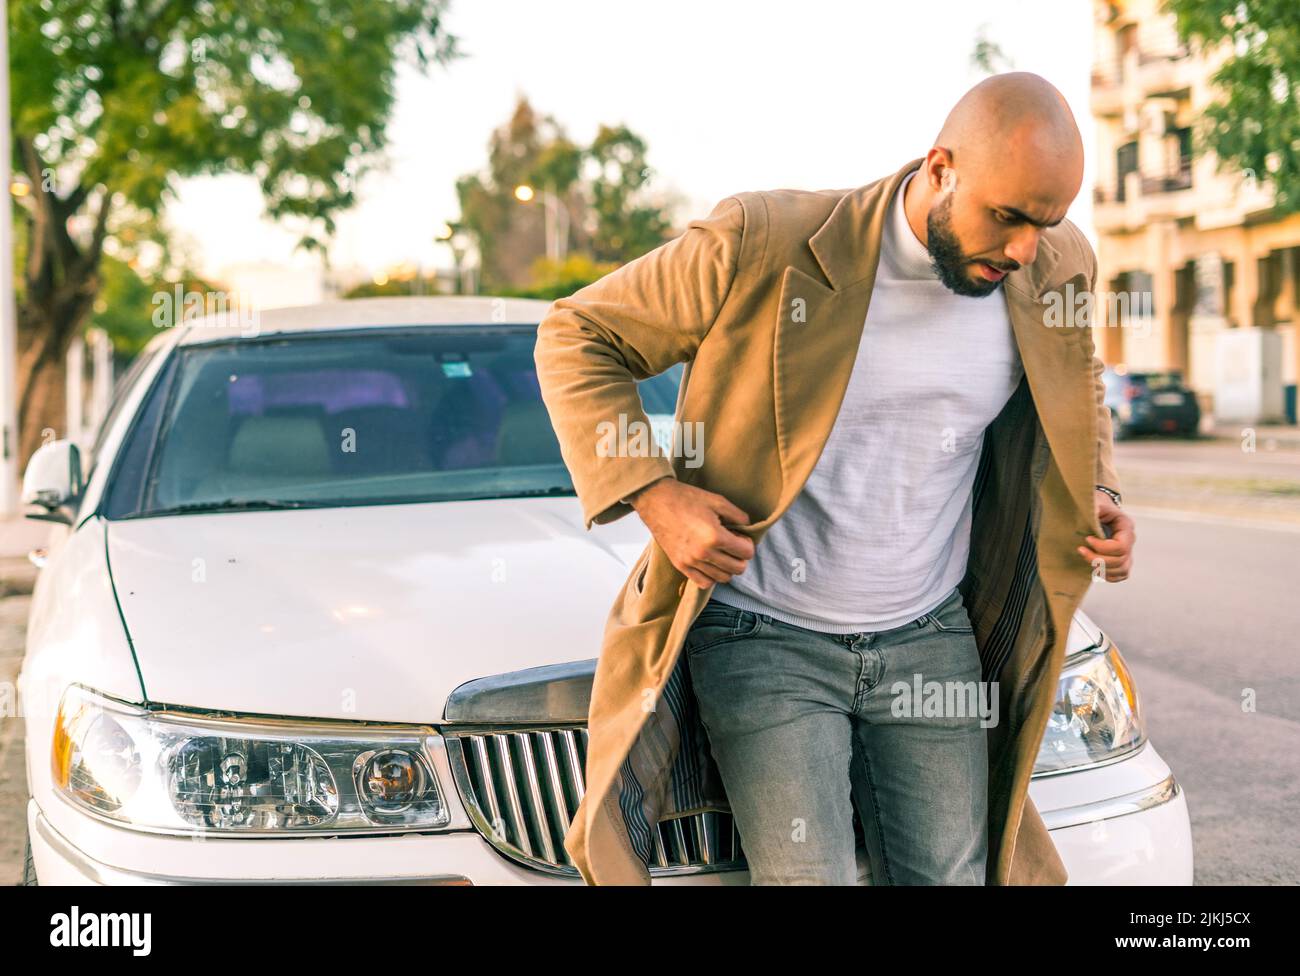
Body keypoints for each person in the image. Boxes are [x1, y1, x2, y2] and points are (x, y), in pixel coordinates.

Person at [535, 71, 1136, 885]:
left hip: (931, 636)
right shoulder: (769, 241)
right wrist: (656, 494)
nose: (1024, 247)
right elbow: (580, 333)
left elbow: (1078, 375)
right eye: (1007, 217)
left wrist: (1100, 488)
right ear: (940, 167)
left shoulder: (1056, 266)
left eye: (1046, 222)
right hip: (766, 636)